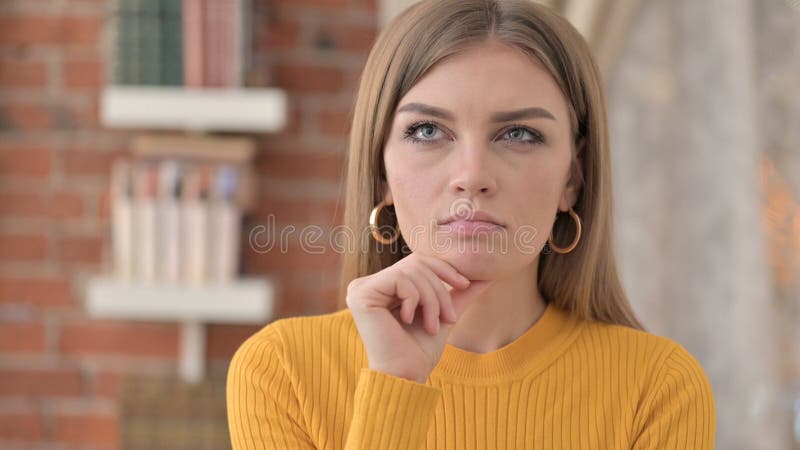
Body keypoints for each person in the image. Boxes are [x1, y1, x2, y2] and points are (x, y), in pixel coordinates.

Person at [226, 0, 716, 448]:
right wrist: (395, 385)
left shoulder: (658, 387)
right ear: (381, 174)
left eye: (520, 134)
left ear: (574, 176)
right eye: (427, 131)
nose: (473, 176)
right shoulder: (281, 372)